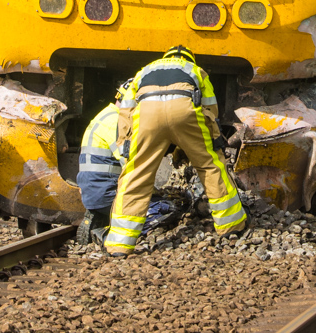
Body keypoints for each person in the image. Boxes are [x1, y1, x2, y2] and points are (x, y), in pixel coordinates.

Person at [104, 46, 246, 256]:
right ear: (188, 57)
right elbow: (209, 110)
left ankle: (119, 244)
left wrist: (126, 144)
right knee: (209, 165)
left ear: (166, 57)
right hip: (185, 111)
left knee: (137, 174)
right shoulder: (195, 70)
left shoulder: (144, 71)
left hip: (147, 116)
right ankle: (230, 226)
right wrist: (214, 142)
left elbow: (126, 110)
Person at [74, 95, 128, 243]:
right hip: (105, 193)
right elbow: (129, 162)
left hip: (92, 191)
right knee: (160, 208)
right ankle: (105, 236)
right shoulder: (116, 122)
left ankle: (101, 216)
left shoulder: (104, 116)